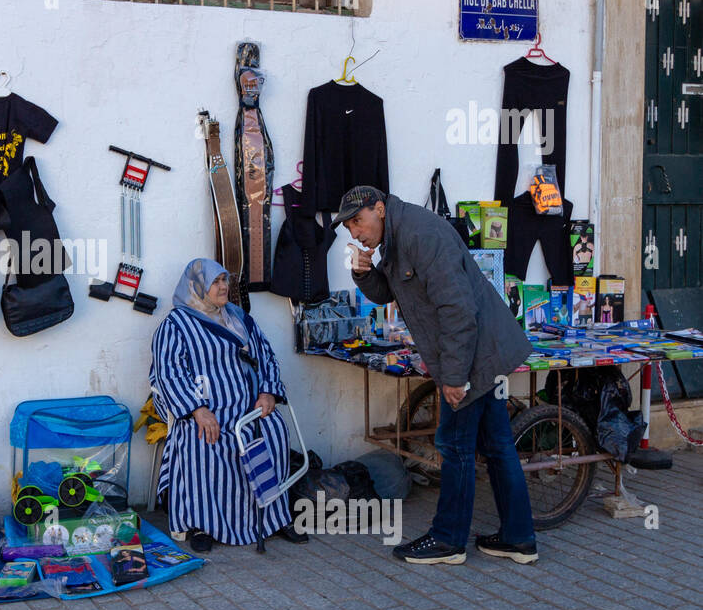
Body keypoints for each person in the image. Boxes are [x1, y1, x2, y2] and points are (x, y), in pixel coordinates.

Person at [336, 185, 539, 565]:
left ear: (379, 209)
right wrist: (363, 274)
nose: (355, 233)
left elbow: (458, 310)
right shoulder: (397, 234)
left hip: (475, 356)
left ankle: (448, 540)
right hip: (480, 352)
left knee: (455, 446)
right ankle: (518, 538)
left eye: (358, 222)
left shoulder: (420, 234)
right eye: (349, 228)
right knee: (496, 447)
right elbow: (388, 291)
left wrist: (454, 377)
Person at [148, 258, 302, 552]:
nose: (223, 287)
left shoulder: (240, 318)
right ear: (197, 286)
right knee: (204, 445)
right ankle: (202, 524)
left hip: (249, 408)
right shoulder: (176, 324)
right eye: (215, 282)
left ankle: (272, 518)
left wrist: (268, 393)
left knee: (275, 433)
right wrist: (197, 409)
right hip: (206, 412)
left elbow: (266, 356)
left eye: (224, 281)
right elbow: (168, 371)